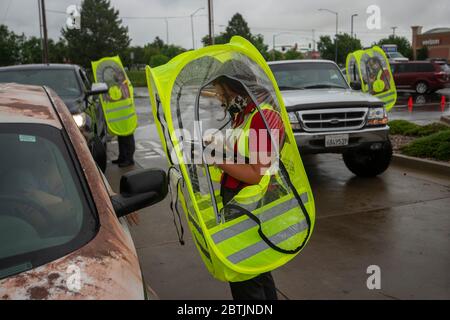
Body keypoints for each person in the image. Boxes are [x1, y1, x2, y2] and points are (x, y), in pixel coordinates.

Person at [210, 76, 285, 300]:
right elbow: (244, 154)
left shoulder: (262, 117)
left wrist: (216, 159)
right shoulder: (244, 114)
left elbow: (256, 173)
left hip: (248, 202)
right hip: (240, 200)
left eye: (223, 94)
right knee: (257, 268)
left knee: (244, 274)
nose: (221, 100)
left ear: (237, 89)